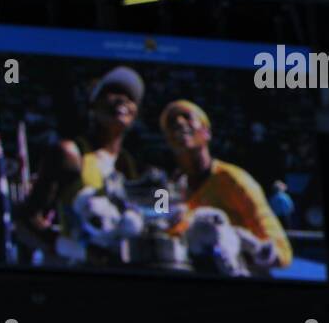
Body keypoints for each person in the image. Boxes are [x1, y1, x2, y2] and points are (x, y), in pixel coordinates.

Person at [17, 66, 147, 265]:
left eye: (130, 97)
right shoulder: (70, 153)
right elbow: (25, 224)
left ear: (135, 114)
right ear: (92, 105)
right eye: (112, 92)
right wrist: (80, 252)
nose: (122, 100)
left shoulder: (131, 165)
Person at [160, 100, 293, 270]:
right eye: (172, 123)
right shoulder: (162, 188)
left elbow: (282, 251)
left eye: (187, 117)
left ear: (206, 132)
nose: (179, 122)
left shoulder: (235, 180)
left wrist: (235, 243)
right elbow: (159, 226)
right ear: (168, 140)